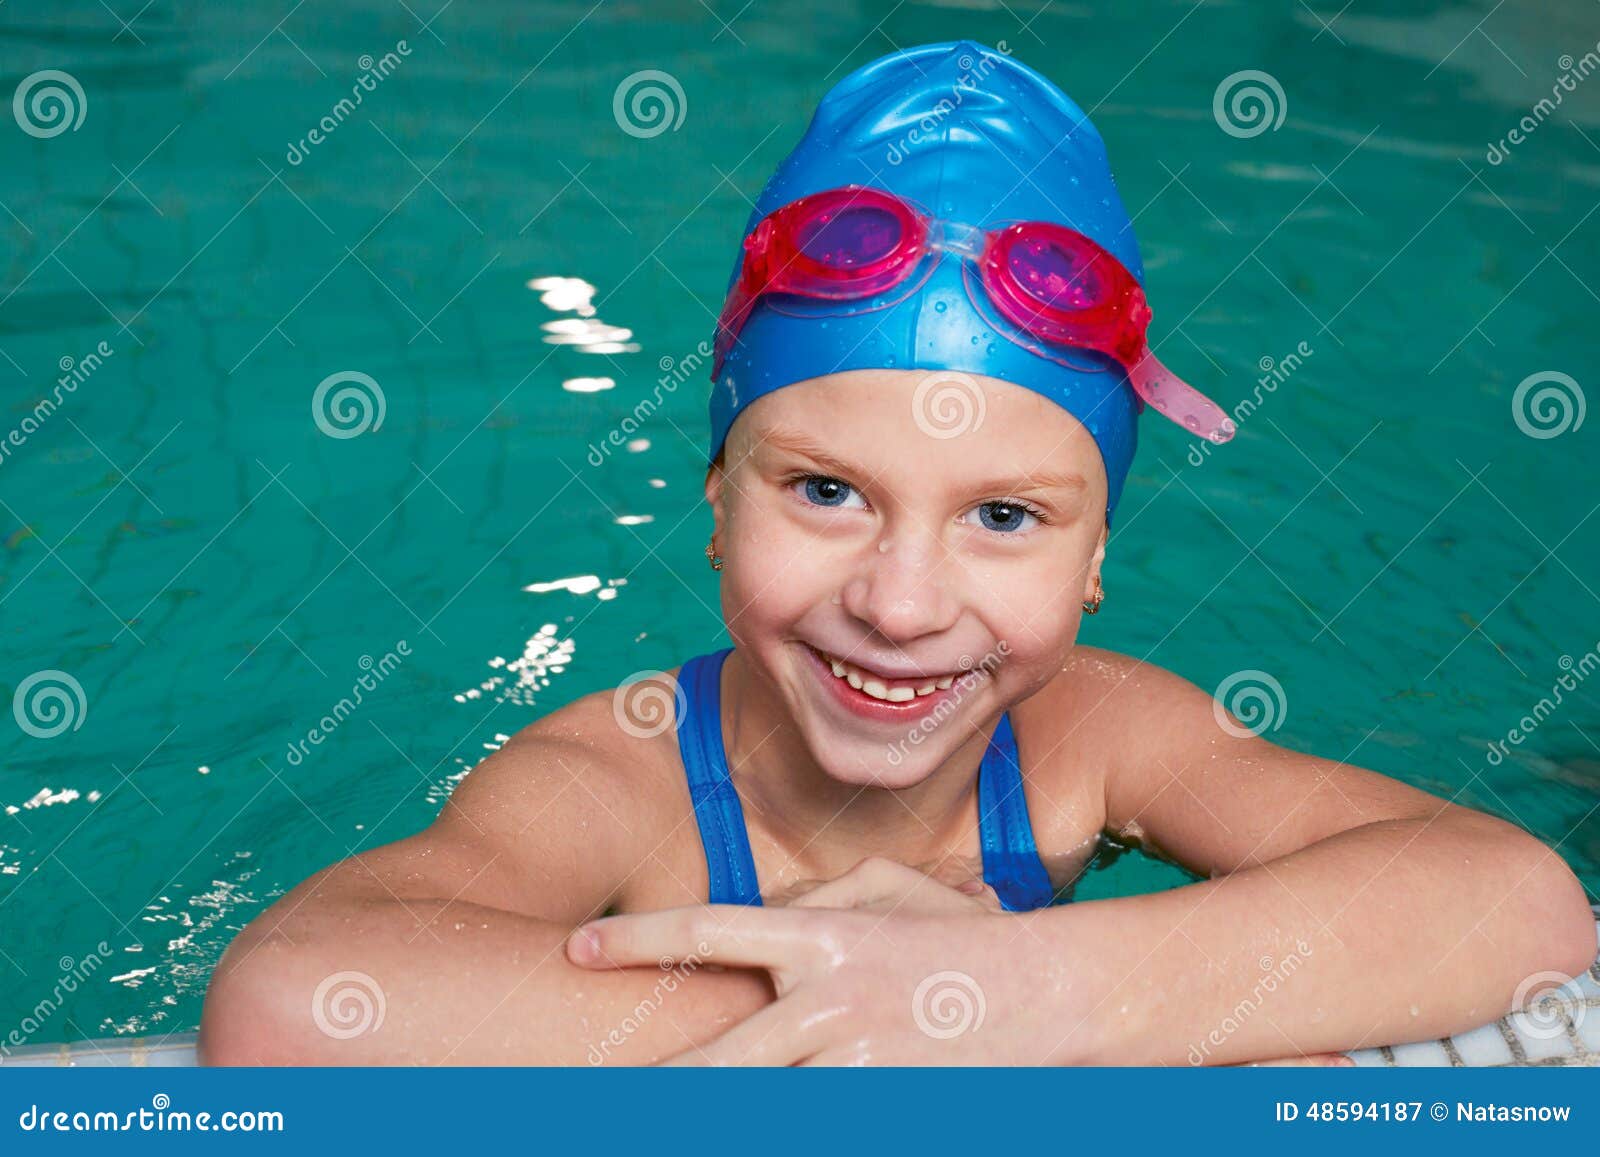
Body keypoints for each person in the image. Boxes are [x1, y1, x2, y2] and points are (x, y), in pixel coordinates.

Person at [199, 40, 1596, 1066]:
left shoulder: (1097, 738)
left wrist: (1025, 991)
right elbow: (296, 1000)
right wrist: (883, 998)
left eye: (1005, 517)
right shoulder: (619, 778)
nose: (903, 603)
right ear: (715, 502)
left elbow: (1518, 904)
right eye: (825, 492)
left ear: (1096, 557)